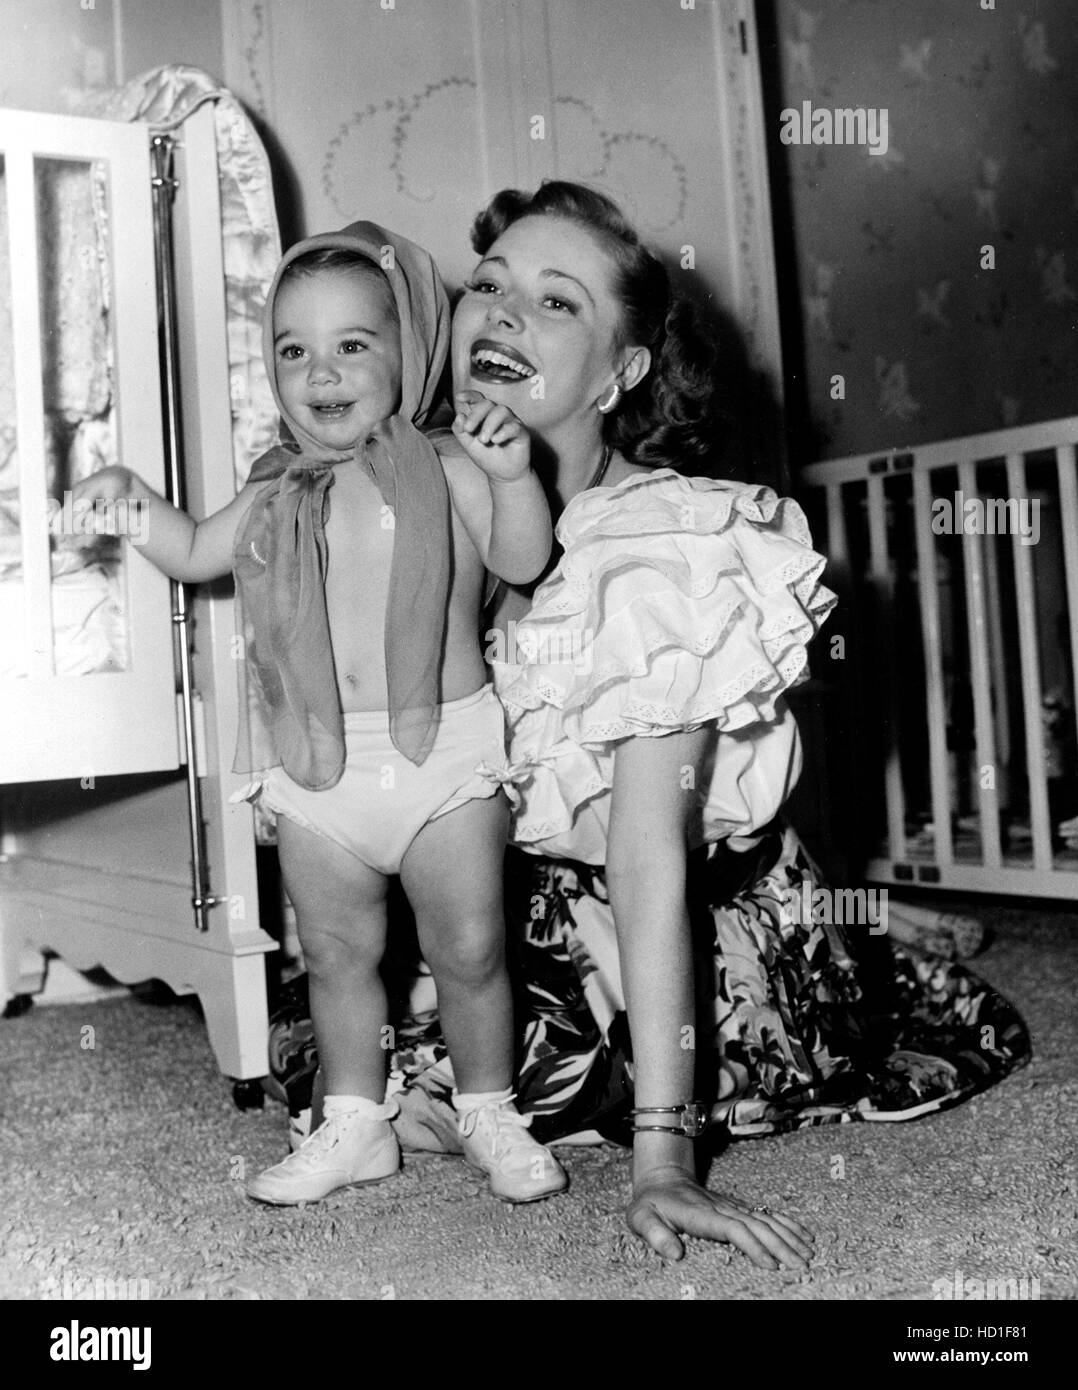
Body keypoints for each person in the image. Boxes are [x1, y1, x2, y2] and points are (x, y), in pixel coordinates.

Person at [269, 185, 1030, 1268]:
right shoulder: (424, 490)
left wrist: (663, 1161)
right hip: (519, 892)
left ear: (623, 372)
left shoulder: (661, 548)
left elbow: (644, 856)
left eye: (557, 302)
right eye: (488, 286)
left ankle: (826, 911)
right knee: (340, 1054)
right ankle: (860, 906)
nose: (504, 314)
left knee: (482, 1087)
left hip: (665, 904)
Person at [72, 221, 568, 1207]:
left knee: (467, 946)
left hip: (444, 758)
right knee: (338, 955)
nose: (321, 369)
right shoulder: (274, 488)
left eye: (353, 344)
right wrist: (133, 504)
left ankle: (489, 1109)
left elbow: (523, 561)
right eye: (293, 349)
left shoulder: (452, 464)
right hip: (314, 767)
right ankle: (354, 1121)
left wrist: (515, 478)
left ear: (408, 350)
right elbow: (194, 550)